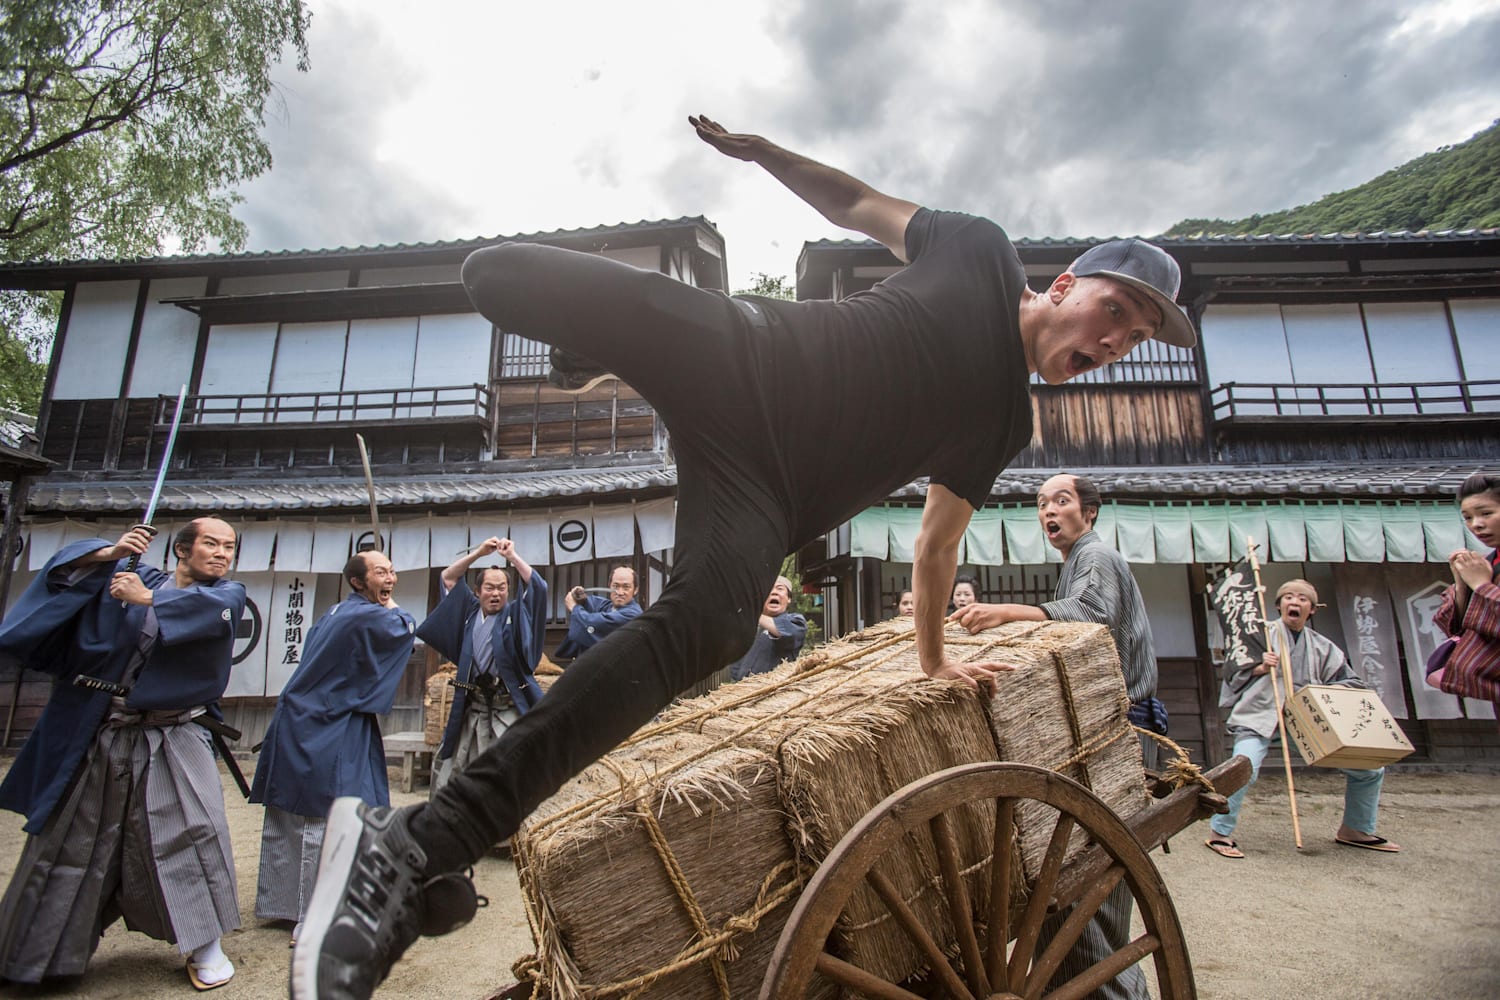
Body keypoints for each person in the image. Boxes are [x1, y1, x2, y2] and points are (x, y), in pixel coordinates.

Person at [290, 114, 1198, 1000]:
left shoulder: (1004, 422)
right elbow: (855, 204)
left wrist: (934, 659)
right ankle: (604, 352)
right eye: (1115, 311)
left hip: (764, 493)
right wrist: (764, 153)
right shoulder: (980, 250)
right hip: (742, 355)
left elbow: (936, 545)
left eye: (1134, 339)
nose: (1115, 341)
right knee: (493, 275)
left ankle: (415, 846)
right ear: (1067, 284)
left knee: (713, 626)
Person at [0, 519, 246, 990]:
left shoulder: (224, 595)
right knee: (72, 839)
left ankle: (204, 946)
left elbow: (215, 609)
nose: (221, 553)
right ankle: (38, 953)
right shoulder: (130, 576)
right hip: (105, 729)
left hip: (175, 731)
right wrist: (109, 554)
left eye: (229, 546)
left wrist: (147, 599)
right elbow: (61, 577)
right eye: (211, 543)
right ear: (182, 549)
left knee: (196, 829)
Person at [950, 473, 1160, 1000]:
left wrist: (1006, 612)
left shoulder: (1097, 557)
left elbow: (1091, 618)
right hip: (1099, 733)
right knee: (1085, 871)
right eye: (1041, 503)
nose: (1048, 511)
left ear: (1089, 512)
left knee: (1088, 874)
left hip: (1115, 734)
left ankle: (1110, 990)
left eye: (1061, 501)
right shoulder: (1075, 563)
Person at [249, 550, 416, 944]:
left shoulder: (336, 612)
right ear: (357, 582)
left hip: (304, 718)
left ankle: (286, 905)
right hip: (330, 723)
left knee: (294, 816)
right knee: (325, 819)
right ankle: (316, 918)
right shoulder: (366, 615)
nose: (390, 579)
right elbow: (405, 626)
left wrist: (382, 592)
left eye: (392, 571)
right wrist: (390, 601)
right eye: (380, 572)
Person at [1206, 579, 1400, 859]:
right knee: (1243, 768)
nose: (1294, 602)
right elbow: (1232, 673)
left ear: (1312, 609)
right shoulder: (1260, 635)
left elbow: (1350, 681)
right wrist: (1259, 667)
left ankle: (1355, 829)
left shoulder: (1323, 647)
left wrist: (1321, 693)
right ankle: (1219, 833)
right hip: (1260, 715)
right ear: (1279, 605)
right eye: (1288, 597)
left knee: (1369, 771)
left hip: (1307, 722)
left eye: (1302, 598)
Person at [416, 537, 547, 798]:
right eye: (489, 588)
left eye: (501, 588)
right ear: (477, 592)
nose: (496, 594)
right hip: (472, 708)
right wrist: (477, 554)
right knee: (456, 772)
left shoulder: (516, 615)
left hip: (506, 708)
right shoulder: (469, 612)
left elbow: (538, 588)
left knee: (513, 770)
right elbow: (448, 578)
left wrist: (512, 557)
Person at [1430, 473, 1500, 706]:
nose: (1476, 524)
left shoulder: (1483, 572)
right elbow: (1457, 630)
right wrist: (1463, 585)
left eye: (1486, 513)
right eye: (1467, 518)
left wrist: (1481, 585)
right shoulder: (1487, 563)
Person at [727, 576, 808, 681]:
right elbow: (736, 661)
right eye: (769, 589)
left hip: (776, 688)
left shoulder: (796, 621)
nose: (774, 592)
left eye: (780, 588)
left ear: (789, 598)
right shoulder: (749, 627)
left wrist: (751, 613)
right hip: (745, 688)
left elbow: (788, 633)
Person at [553, 565, 642, 659]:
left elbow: (593, 622)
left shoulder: (633, 614)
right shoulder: (608, 606)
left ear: (635, 590)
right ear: (609, 586)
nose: (620, 592)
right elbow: (593, 603)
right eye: (615, 586)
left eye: (626, 587)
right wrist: (580, 598)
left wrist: (574, 607)